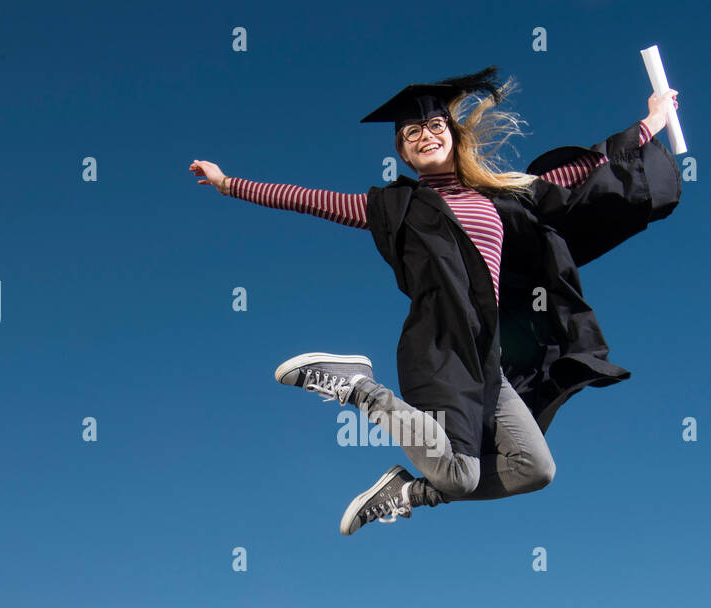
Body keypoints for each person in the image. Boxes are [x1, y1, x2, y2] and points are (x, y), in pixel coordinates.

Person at [191, 66, 680, 535]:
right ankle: (358, 388)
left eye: (433, 125)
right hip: (439, 343)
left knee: (535, 469)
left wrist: (652, 121)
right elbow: (306, 198)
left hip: (487, 354)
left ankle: (409, 492)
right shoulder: (394, 206)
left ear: (451, 134)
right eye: (410, 133)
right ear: (403, 153)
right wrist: (227, 184)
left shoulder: (500, 196)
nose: (423, 135)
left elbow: (582, 169)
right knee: (460, 475)